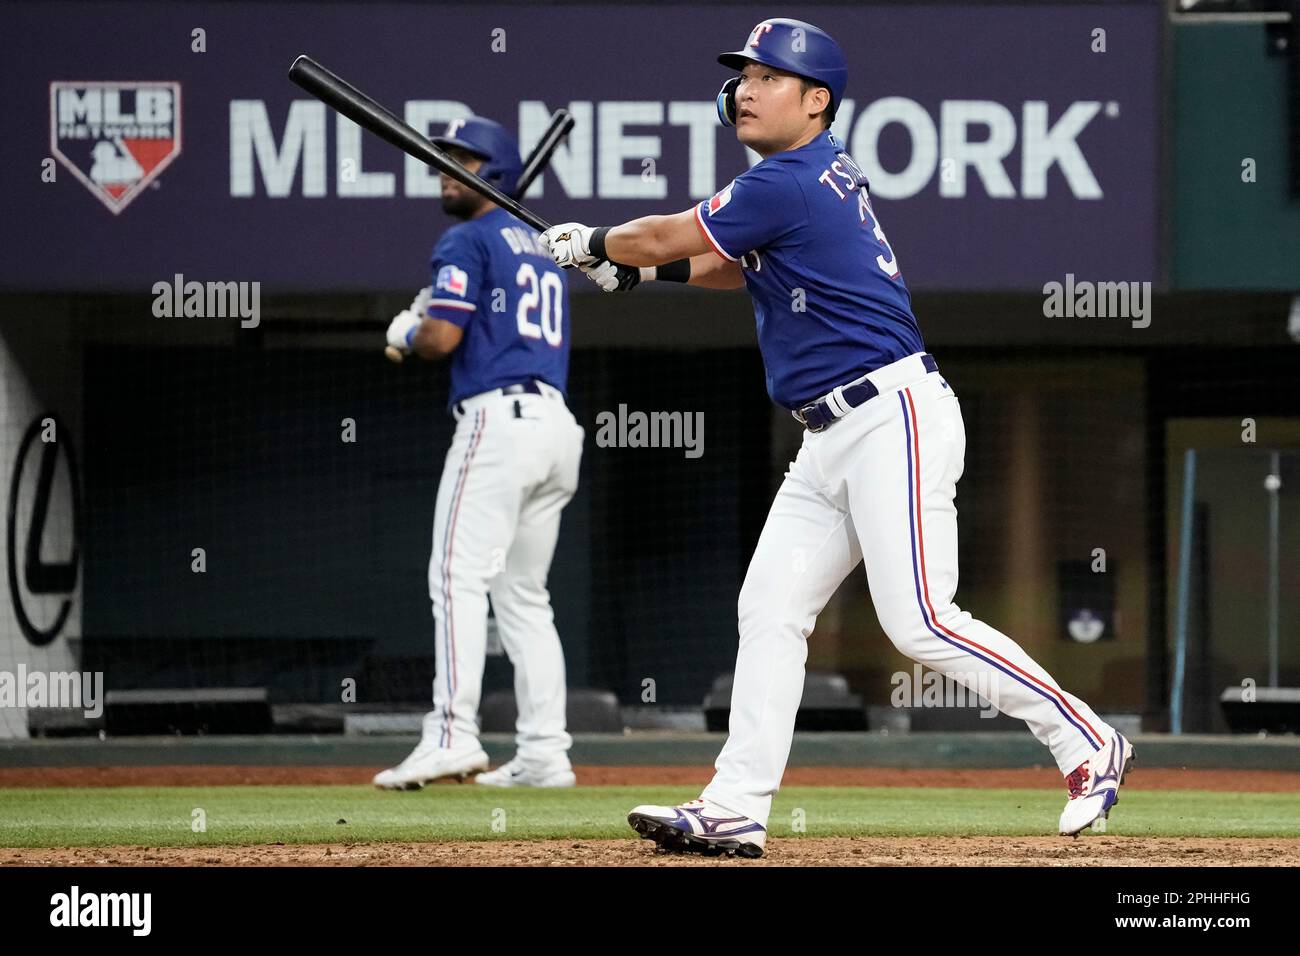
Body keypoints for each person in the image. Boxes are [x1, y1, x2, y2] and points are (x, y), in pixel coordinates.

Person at [540, 18, 1134, 857]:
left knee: (922, 620)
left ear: (815, 100)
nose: (746, 88)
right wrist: (631, 268)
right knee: (771, 611)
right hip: (829, 435)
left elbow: (673, 236)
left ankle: (1087, 742)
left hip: (892, 416)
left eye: (768, 77)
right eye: (742, 75)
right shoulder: (799, 180)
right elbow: (715, 262)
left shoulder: (788, 178)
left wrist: (599, 246)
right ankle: (736, 806)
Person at [373, 117, 585, 790]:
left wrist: (408, 329)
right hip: (556, 428)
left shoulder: (466, 237)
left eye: (461, 159)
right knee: (523, 596)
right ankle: (546, 755)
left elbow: (440, 339)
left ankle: (452, 736)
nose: (445, 169)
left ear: (492, 171)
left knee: (457, 580)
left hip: (498, 424)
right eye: (444, 158)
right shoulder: (539, 243)